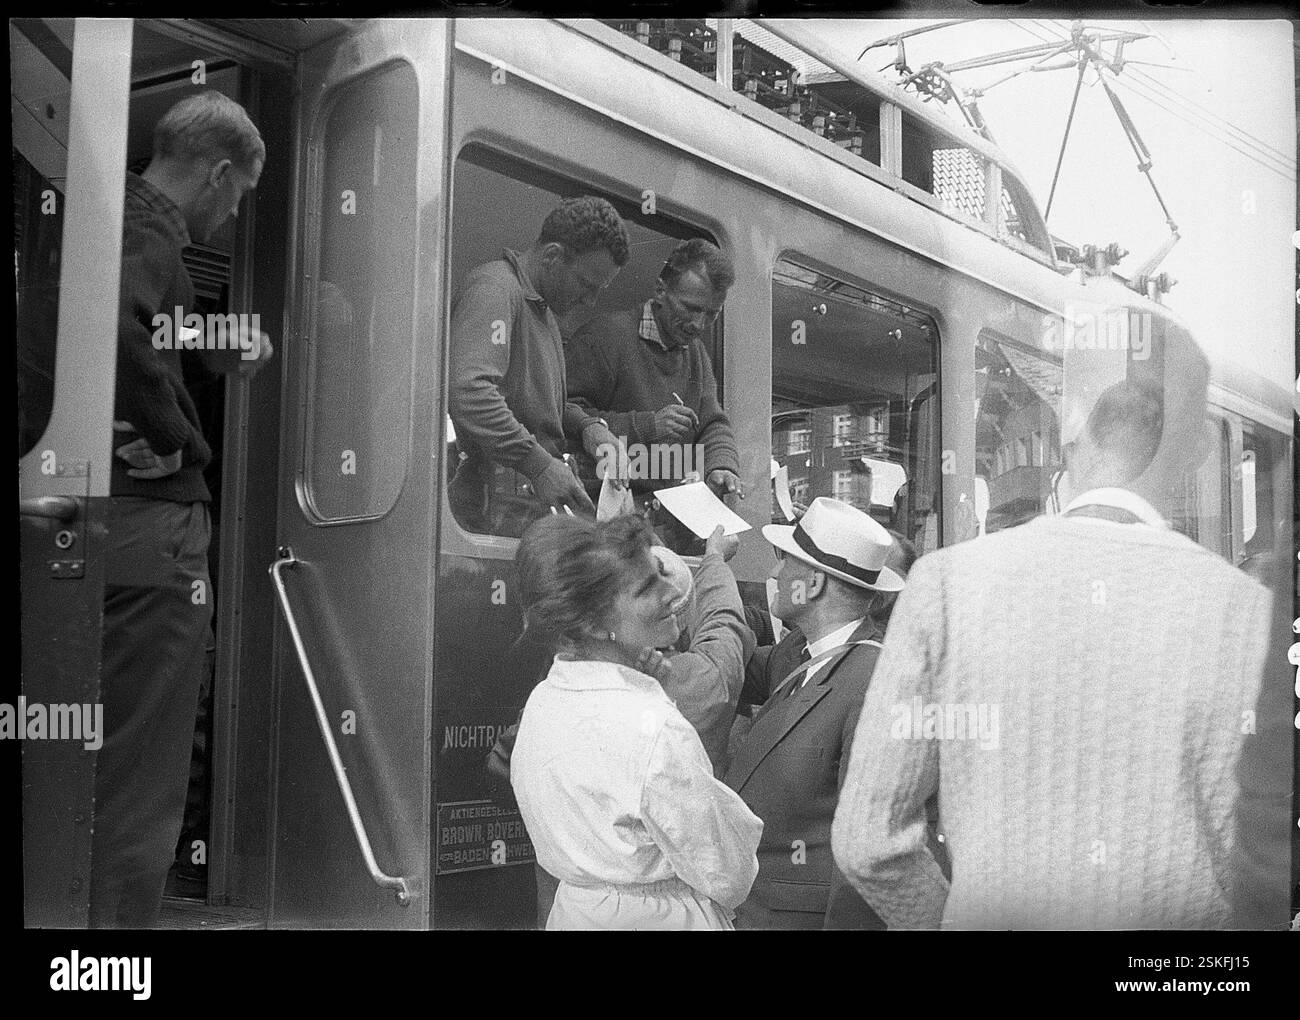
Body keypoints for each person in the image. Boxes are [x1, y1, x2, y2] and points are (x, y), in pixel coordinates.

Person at [833, 350, 1275, 929]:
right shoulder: (1248, 614)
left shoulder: (943, 585)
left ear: (1068, 436)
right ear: (1192, 457)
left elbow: (867, 840)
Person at [92, 91, 271, 928]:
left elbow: (146, 335)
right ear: (221, 172)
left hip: (101, 528)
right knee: (142, 777)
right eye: (238, 197)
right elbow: (124, 333)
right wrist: (178, 441)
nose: (233, 215)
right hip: (151, 533)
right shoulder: (153, 227)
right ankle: (109, 963)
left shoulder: (107, 218)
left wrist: (213, 345)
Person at [509, 513, 762, 929]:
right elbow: (727, 872)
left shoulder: (542, 703)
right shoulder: (655, 728)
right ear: (593, 623)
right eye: (648, 587)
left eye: (660, 573)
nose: (672, 593)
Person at [722, 497, 903, 929]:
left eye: (785, 561)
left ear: (815, 583)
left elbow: (870, 854)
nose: (773, 573)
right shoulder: (799, 654)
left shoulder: (876, 682)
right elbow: (726, 666)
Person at [448, 197, 631, 537]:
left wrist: (590, 428)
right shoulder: (495, 290)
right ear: (552, 256)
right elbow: (469, 391)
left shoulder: (543, 312)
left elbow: (543, 404)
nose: (590, 301)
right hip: (497, 507)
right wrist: (538, 465)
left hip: (518, 503)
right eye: (586, 285)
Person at [565, 238, 742, 549]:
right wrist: (648, 427)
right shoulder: (604, 337)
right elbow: (565, 412)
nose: (699, 324)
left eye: (712, 314)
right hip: (600, 530)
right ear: (661, 291)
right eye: (691, 308)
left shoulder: (696, 354)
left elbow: (712, 423)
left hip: (660, 531)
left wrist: (721, 464)